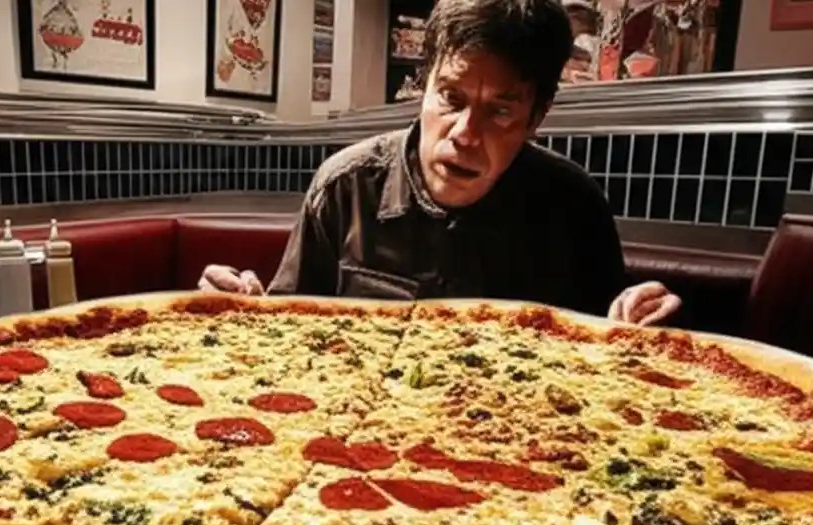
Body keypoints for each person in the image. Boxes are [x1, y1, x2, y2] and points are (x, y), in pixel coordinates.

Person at [199, 0, 680, 326]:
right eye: (451, 98)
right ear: (421, 87)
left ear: (537, 117)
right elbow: (287, 328)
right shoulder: (345, 187)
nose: (466, 134)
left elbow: (610, 354)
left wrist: (642, 318)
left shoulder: (574, 206)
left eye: (500, 111)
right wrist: (240, 307)